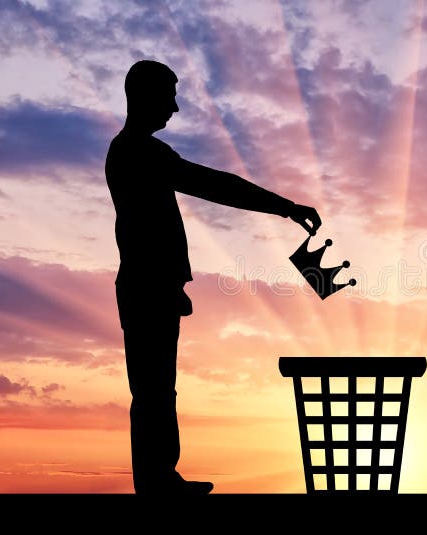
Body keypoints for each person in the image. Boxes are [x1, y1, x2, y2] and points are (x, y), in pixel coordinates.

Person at [105, 60, 321, 494]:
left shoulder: (135, 151)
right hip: (147, 290)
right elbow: (213, 184)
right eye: (169, 94)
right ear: (145, 96)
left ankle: (160, 476)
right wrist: (285, 206)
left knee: (157, 389)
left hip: (152, 289)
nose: (176, 107)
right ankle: (158, 481)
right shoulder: (140, 152)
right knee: (154, 391)